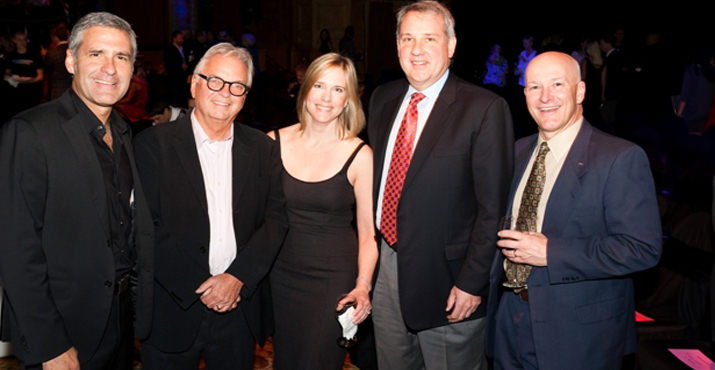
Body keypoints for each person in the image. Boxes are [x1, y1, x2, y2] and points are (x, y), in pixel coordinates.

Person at [486, 52, 662, 369]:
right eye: (534, 87)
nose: (545, 97)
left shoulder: (619, 157)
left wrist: (552, 252)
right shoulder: (518, 151)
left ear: (580, 91)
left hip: (577, 337)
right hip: (509, 324)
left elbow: (642, 248)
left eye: (557, 84)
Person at [0, 12, 153, 370]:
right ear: (71, 60)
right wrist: (50, 344)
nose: (110, 69)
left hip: (119, 323)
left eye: (122, 57)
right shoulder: (30, 132)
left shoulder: (125, 133)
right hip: (63, 328)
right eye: (96, 54)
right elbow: (16, 250)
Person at [367, 2, 514, 369]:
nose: (416, 50)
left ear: (451, 46)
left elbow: (493, 208)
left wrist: (472, 283)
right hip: (387, 269)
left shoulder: (484, 108)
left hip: (449, 281)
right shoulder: (382, 99)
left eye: (429, 38)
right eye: (407, 38)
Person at [133, 42, 288, 370]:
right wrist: (202, 288)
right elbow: (146, 226)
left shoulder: (263, 148)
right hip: (173, 310)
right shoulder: (152, 145)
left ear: (246, 95)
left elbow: (276, 220)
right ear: (195, 83)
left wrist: (236, 278)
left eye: (237, 86)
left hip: (238, 310)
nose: (225, 93)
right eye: (215, 80)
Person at [267, 52, 377, 370]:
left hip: (333, 280)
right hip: (280, 276)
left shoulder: (359, 154)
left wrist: (362, 286)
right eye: (319, 86)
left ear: (348, 100)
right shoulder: (271, 142)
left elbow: (369, 233)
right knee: (285, 360)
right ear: (305, 89)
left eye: (338, 89)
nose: (327, 98)